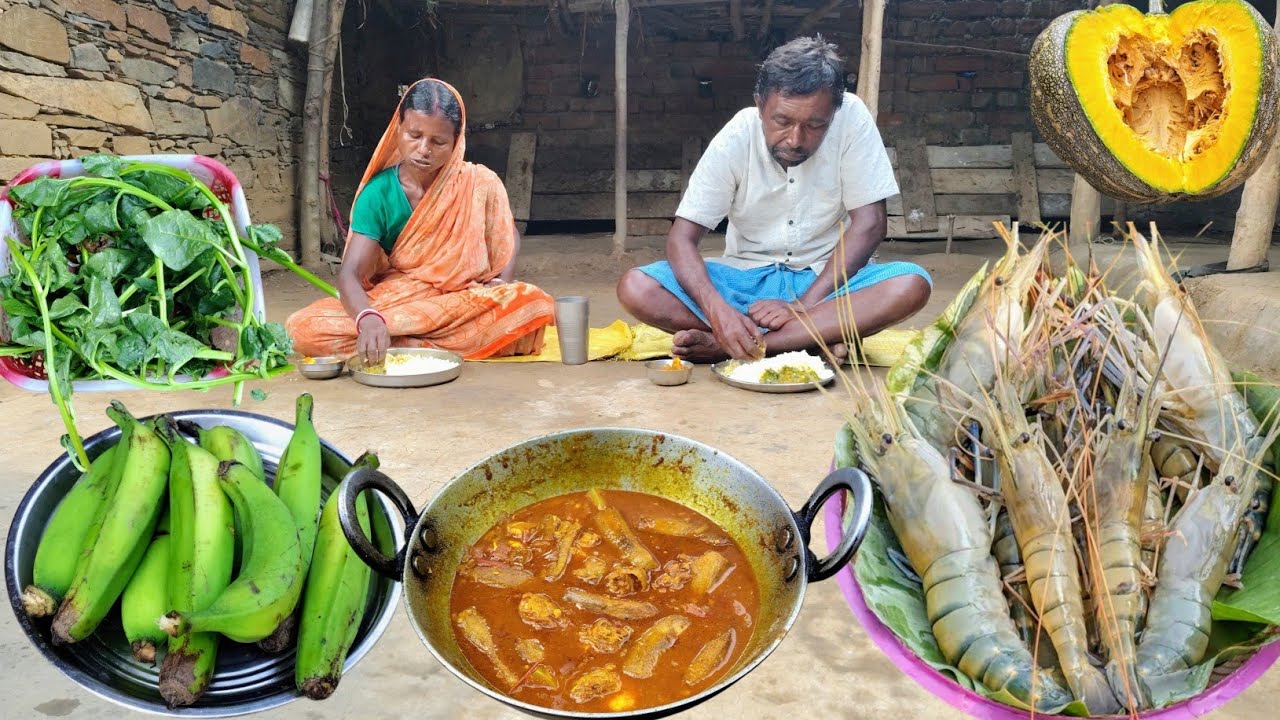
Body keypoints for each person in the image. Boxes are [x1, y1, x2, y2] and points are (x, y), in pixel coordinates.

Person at [616, 36, 932, 363]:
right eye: (782, 121)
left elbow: (870, 224)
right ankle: (810, 339)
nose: (795, 139)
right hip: (744, 283)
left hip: (826, 283)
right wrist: (719, 313)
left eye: (815, 125)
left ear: (833, 113)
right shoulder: (737, 135)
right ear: (760, 104)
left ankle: (734, 346)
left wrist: (805, 305)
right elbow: (682, 238)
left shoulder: (852, 118)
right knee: (637, 288)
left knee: (909, 284)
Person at [287, 78, 554, 364]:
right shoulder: (378, 194)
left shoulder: (480, 182)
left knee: (531, 303)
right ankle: (418, 341)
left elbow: (507, 233)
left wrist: (501, 283)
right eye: (414, 135)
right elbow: (350, 273)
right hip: (401, 301)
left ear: (456, 142)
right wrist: (368, 318)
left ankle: (404, 343)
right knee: (303, 328)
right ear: (398, 129)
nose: (424, 149)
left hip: (464, 301)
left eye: (438, 141)